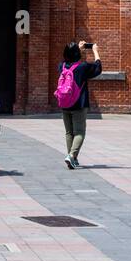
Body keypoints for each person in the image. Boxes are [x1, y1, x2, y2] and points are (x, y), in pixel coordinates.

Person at [55, 39, 102, 169]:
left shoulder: (62, 66)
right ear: (77, 54)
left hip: (64, 103)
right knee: (80, 132)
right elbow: (98, 68)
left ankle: (72, 158)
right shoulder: (82, 68)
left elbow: (70, 61)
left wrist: (78, 50)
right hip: (79, 104)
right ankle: (71, 155)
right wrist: (95, 51)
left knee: (69, 132)